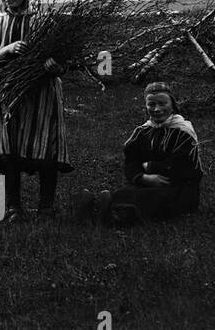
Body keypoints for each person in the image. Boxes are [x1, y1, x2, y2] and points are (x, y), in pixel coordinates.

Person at [0, 0, 71, 221]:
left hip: (41, 93)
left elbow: (64, 60)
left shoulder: (44, 23)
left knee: (45, 146)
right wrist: (6, 50)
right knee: (9, 150)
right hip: (6, 94)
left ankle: (46, 208)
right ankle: (13, 208)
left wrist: (55, 66)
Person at [76, 83, 202, 225]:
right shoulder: (143, 132)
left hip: (177, 187)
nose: (157, 109)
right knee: (124, 193)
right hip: (147, 183)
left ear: (172, 104)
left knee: (147, 199)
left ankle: (106, 215)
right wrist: (141, 177)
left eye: (162, 103)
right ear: (146, 106)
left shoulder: (183, 132)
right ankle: (93, 210)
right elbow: (131, 162)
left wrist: (150, 166)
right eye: (151, 104)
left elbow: (183, 166)